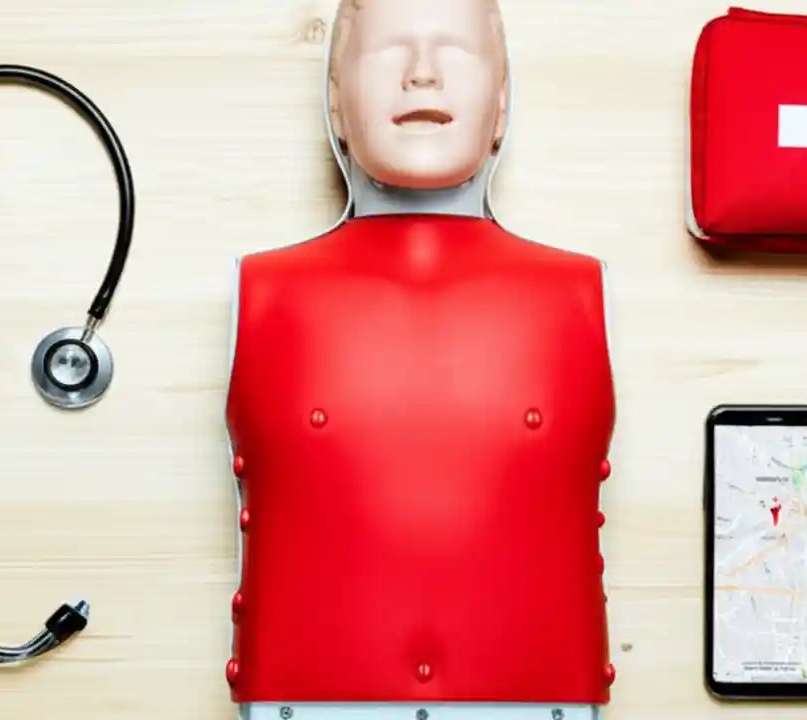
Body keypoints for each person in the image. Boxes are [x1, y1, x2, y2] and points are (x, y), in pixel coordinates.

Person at [222, 0, 617, 717]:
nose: (423, 74)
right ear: (335, 100)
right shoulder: (267, 291)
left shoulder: (578, 290)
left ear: (502, 100)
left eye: (456, 52)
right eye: (388, 51)